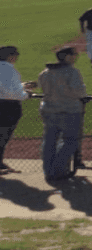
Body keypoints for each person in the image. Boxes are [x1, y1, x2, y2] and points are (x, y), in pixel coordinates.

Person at [38, 47, 86, 182]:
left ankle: (48, 171)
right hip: (69, 110)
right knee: (71, 141)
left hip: (48, 110)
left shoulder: (45, 72)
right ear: (68, 57)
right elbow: (79, 92)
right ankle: (57, 170)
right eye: (75, 54)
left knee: (49, 141)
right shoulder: (72, 72)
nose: (77, 56)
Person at [0, 46, 39, 175]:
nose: (17, 57)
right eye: (16, 54)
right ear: (10, 56)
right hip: (7, 107)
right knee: (3, 136)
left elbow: (6, 88)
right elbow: (11, 93)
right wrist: (26, 94)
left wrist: (21, 86)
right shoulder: (8, 70)